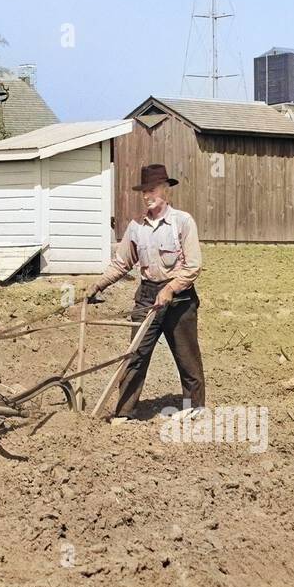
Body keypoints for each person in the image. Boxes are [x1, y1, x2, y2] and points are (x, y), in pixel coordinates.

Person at [87, 163, 205, 421]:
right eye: (144, 191)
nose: (147, 196)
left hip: (180, 298)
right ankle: (125, 412)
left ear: (166, 191)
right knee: (135, 355)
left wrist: (171, 288)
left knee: (186, 355)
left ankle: (194, 406)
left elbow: (194, 266)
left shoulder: (182, 222)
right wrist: (98, 284)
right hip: (147, 295)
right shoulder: (136, 227)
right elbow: (122, 263)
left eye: (152, 190)